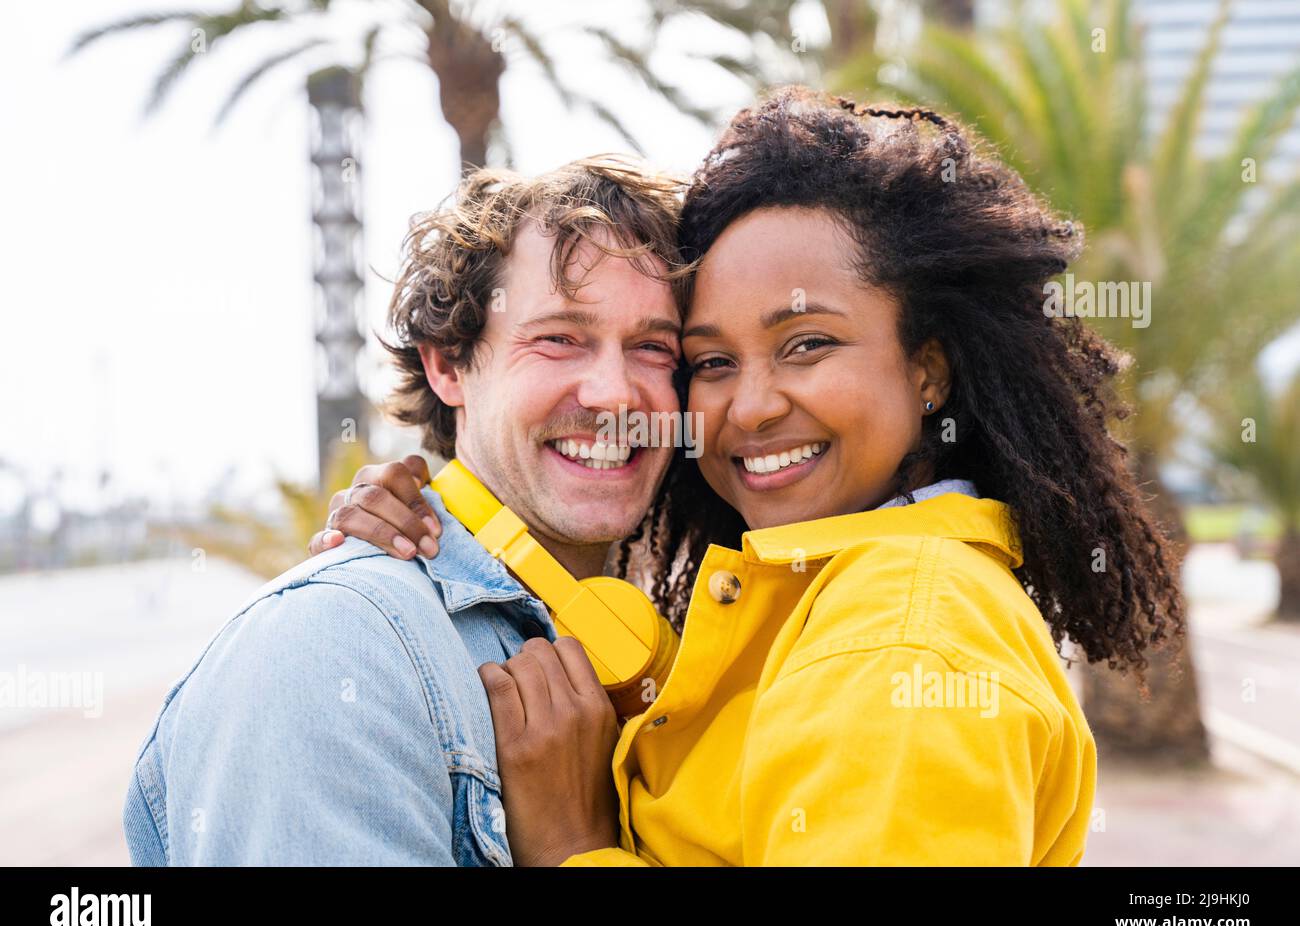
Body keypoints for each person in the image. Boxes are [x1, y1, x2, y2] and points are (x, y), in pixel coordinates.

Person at [317, 88, 1187, 866]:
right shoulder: (811, 600)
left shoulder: (902, 646)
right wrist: (436, 515)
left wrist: (575, 844)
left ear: (927, 371)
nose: (753, 407)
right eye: (710, 360)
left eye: (807, 344)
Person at [122, 155, 689, 865]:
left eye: (652, 347)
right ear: (447, 366)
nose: (616, 394)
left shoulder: (665, 626)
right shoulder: (330, 647)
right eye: (559, 338)